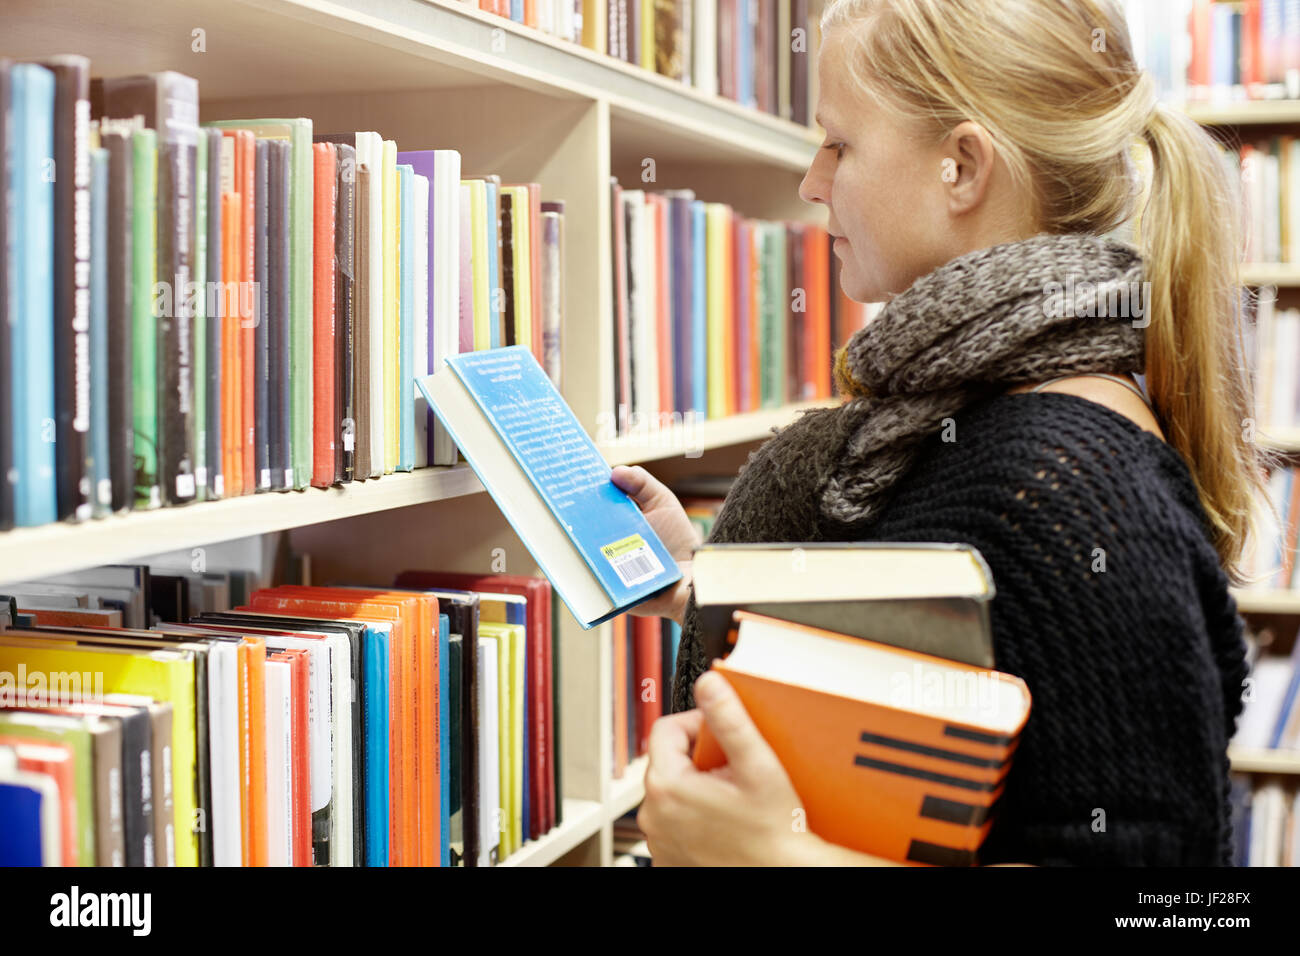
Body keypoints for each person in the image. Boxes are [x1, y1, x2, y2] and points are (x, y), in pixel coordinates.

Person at [609, 0, 1265, 866]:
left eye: (839, 144)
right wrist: (702, 582)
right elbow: (928, 644)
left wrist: (778, 857)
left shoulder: (1079, 486)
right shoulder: (967, 412)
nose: (812, 180)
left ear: (961, 166)